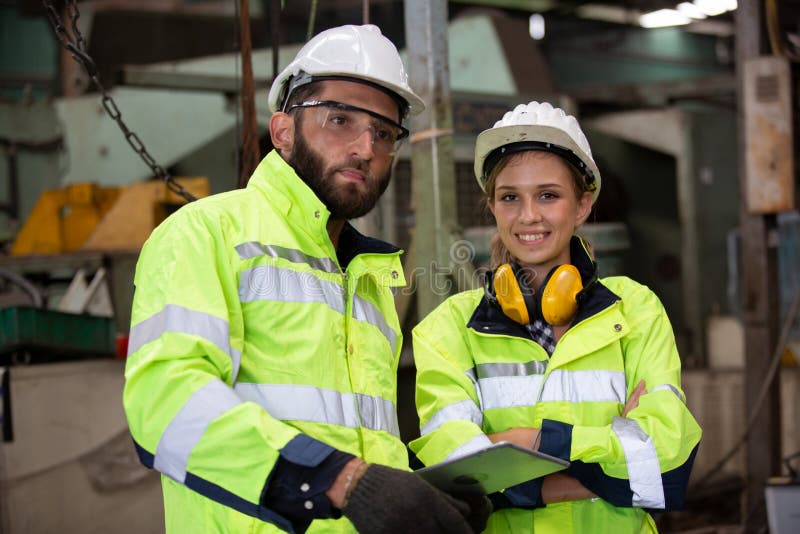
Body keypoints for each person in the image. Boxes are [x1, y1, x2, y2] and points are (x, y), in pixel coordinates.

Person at [123, 24, 490, 534]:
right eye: (340, 120)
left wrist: (415, 491)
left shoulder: (367, 278)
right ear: (283, 132)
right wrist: (343, 481)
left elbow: (355, 440)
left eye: (383, 133)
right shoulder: (205, 234)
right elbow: (165, 406)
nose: (365, 148)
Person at [409, 101, 702, 533]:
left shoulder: (636, 310)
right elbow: (460, 481)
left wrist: (532, 444)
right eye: (510, 197)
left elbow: (666, 467)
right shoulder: (449, 328)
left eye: (548, 195)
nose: (529, 216)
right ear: (492, 206)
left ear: (582, 206)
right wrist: (611, 457)